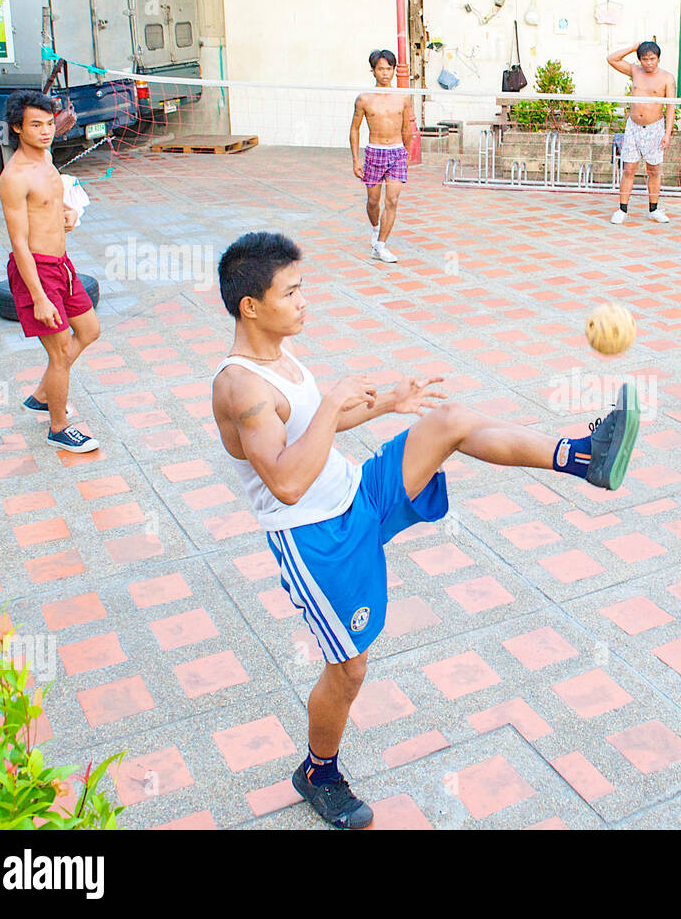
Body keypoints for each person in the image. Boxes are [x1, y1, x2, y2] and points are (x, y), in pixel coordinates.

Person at [210, 232, 640, 828]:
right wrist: (335, 405)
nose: (305, 299)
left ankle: (582, 456)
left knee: (450, 421)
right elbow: (284, 480)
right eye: (292, 291)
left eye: (302, 286)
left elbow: (311, 425)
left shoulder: (280, 354)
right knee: (349, 669)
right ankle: (318, 772)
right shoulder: (240, 387)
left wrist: (387, 401)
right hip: (316, 538)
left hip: (357, 491)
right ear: (250, 305)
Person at [0, 89, 99, 453]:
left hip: (62, 266)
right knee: (58, 354)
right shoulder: (15, 176)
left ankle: (43, 394)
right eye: (35, 125)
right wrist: (39, 297)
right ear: (17, 128)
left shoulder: (47, 161)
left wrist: (67, 215)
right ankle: (58, 427)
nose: (45, 131)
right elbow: (19, 242)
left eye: (48, 124)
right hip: (36, 272)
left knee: (89, 330)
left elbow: (51, 209)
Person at [350, 49, 414, 263]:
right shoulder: (364, 99)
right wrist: (356, 160)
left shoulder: (403, 98)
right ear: (373, 71)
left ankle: (381, 245)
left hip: (396, 152)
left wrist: (405, 152)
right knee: (373, 200)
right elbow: (355, 129)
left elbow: (407, 127)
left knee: (393, 199)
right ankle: (376, 228)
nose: (385, 73)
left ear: (394, 71)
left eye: (389, 69)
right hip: (374, 152)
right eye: (381, 69)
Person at [606, 40, 675, 225]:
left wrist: (667, 133)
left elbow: (671, 107)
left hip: (655, 128)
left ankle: (654, 209)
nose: (649, 63)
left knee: (653, 170)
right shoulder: (635, 71)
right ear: (640, 59)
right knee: (628, 168)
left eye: (652, 59)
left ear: (658, 58)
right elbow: (612, 59)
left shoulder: (667, 78)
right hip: (633, 127)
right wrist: (632, 47)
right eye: (645, 59)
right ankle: (622, 209)